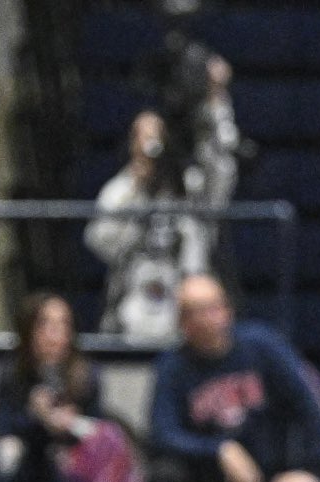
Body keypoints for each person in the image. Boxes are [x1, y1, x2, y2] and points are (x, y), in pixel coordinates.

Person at [144, 274, 320, 482]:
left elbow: (312, 409)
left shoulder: (262, 347)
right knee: (164, 480)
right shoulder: (172, 366)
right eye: (193, 311)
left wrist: (310, 470)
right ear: (182, 322)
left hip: (265, 478)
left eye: (211, 308)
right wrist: (218, 450)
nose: (205, 319)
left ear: (227, 310)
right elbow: (162, 434)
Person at [0, 294, 140, 482]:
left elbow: (98, 431)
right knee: (10, 470)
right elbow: (2, 425)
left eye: (62, 325)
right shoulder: (13, 371)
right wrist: (37, 417)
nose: (54, 334)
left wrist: (70, 424)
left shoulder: (86, 373)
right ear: (29, 331)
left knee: (63, 472)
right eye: (45, 325)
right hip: (31, 457)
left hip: (77, 459)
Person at [85, 96, 238, 344]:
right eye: (141, 136)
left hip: (185, 294)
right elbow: (98, 239)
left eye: (156, 134)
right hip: (135, 295)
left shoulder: (189, 184)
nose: (149, 143)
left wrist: (218, 105)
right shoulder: (120, 189)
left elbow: (223, 177)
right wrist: (136, 188)